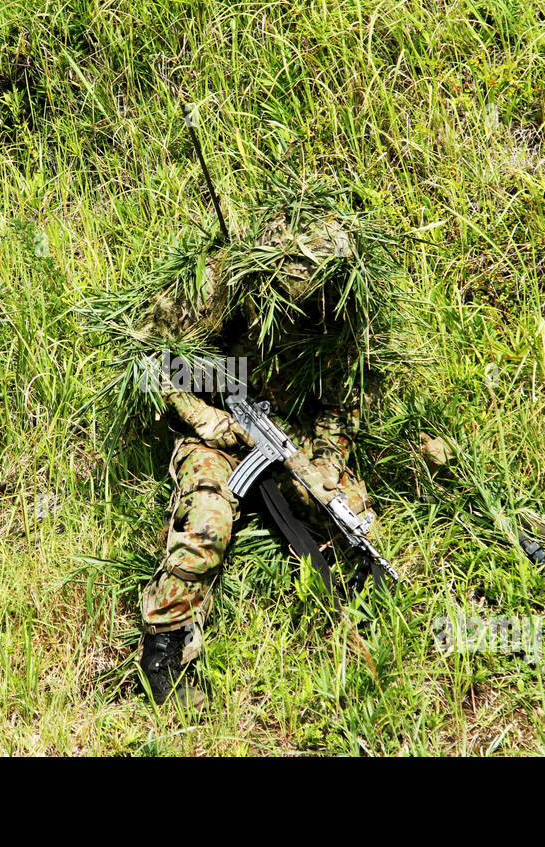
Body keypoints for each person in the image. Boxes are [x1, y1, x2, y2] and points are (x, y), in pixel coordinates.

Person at [126, 175, 395, 707]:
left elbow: (339, 403)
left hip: (283, 431)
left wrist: (321, 462)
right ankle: (165, 649)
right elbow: (153, 356)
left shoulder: (339, 313)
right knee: (207, 522)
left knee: (345, 506)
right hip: (217, 433)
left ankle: (358, 607)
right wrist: (208, 420)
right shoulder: (220, 285)